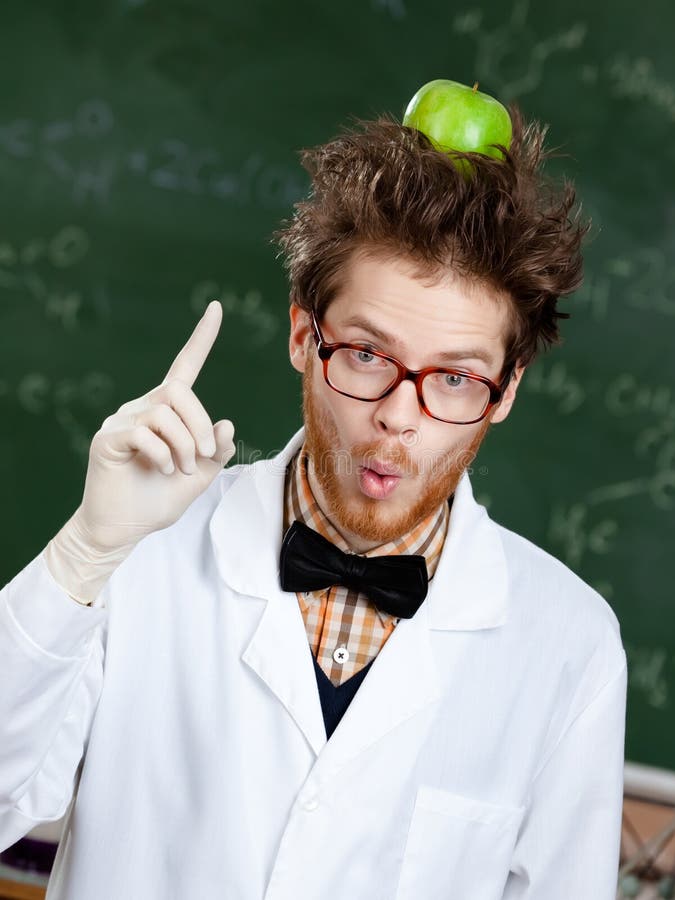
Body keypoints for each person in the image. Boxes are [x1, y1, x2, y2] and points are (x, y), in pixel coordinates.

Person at [0, 105, 627, 900]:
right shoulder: (142, 549)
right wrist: (82, 555)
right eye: (367, 355)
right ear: (304, 334)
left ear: (503, 394)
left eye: (456, 377)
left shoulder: (570, 645)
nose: (401, 416)